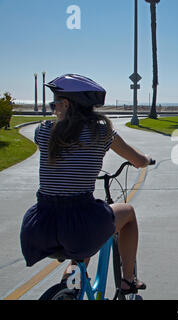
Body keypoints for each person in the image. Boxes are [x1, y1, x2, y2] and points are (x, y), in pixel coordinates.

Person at [20, 74, 151, 294]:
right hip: (81, 223)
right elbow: (137, 160)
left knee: (80, 234)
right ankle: (128, 280)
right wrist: (145, 159)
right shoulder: (102, 132)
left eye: (55, 104)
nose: (53, 109)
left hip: (40, 226)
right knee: (125, 214)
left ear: (67, 104)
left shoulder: (43, 131)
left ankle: (68, 288)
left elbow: (59, 152)